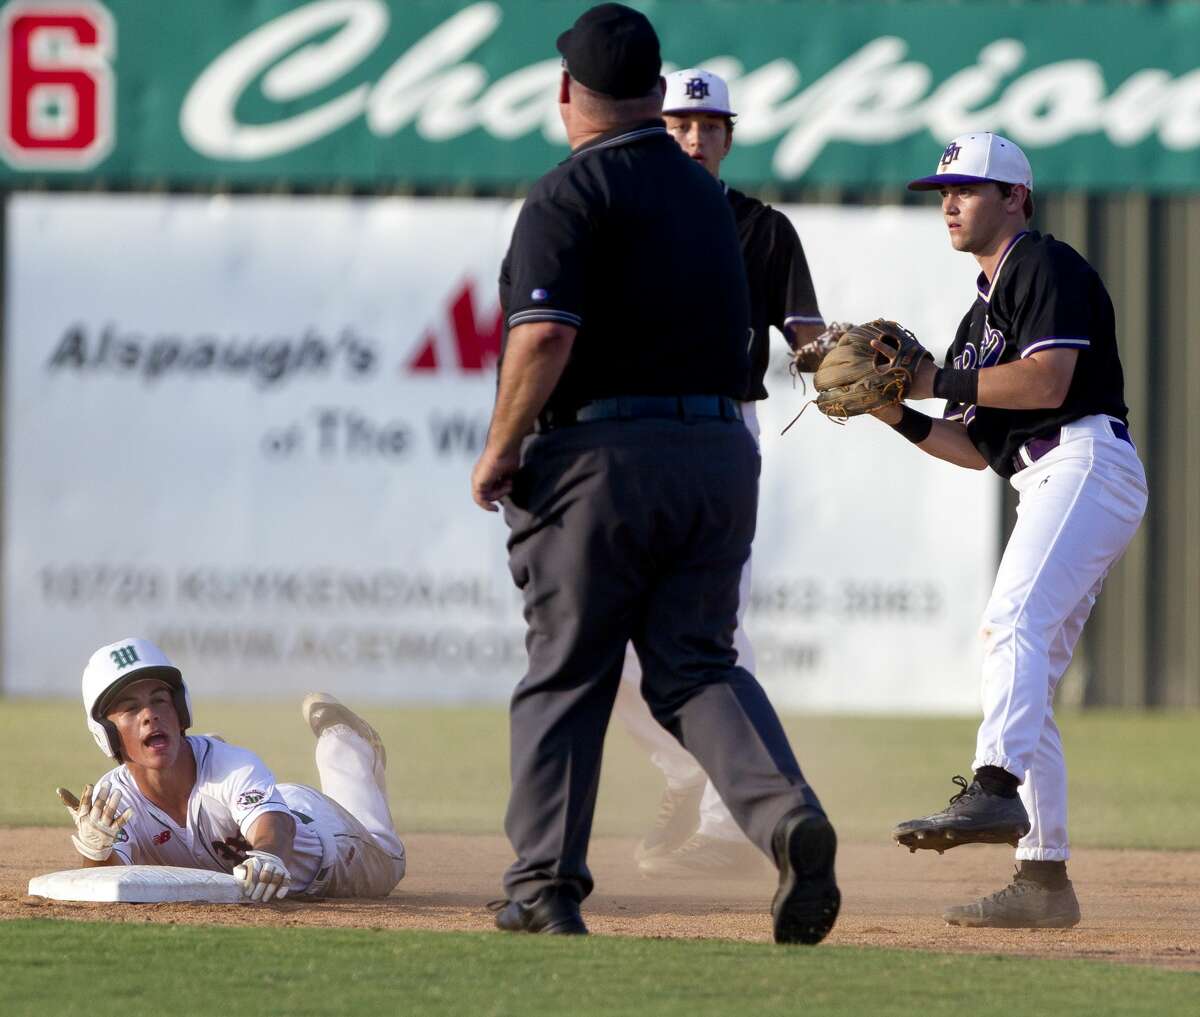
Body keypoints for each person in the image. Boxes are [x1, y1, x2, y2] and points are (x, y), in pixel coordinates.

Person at [470, 3, 839, 943]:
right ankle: (785, 814)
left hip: (602, 462)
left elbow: (546, 334)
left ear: (566, 92)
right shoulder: (714, 207)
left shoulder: (569, 193)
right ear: (655, 93)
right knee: (696, 665)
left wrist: (504, 445)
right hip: (720, 457)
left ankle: (543, 884)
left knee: (569, 671)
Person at [875, 133, 1146, 928]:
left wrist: (929, 378)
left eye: (969, 187)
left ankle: (994, 789)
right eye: (943, 190)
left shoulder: (1044, 265)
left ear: (1016, 198)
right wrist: (897, 411)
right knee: (1025, 670)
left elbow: (1048, 378)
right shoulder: (974, 321)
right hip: (1045, 476)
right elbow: (967, 446)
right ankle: (1043, 879)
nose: (950, 202)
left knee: (1011, 627)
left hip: (1084, 458)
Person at [610, 66, 829, 879]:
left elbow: (805, 335)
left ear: (729, 137)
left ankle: (728, 824)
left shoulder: (762, 231)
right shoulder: (618, 221)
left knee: (716, 624)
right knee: (606, 635)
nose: (695, 139)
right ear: (655, 131)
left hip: (721, 426)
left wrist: (837, 356)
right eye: (679, 126)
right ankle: (684, 767)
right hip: (627, 432)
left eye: (709, 127)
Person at [60, 637, 406, 902]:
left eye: (160, 700)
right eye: (131, 709)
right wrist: (96, 852)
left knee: (389, 859)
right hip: (249, 800)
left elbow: (277, 828)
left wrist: (268, 857)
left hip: (330, 849)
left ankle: (345, 743)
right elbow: (109, 886)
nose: (149, 715)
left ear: (180, 710)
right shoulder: (112, 802)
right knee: (240, 794)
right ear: (105, 733)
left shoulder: (231, 764)